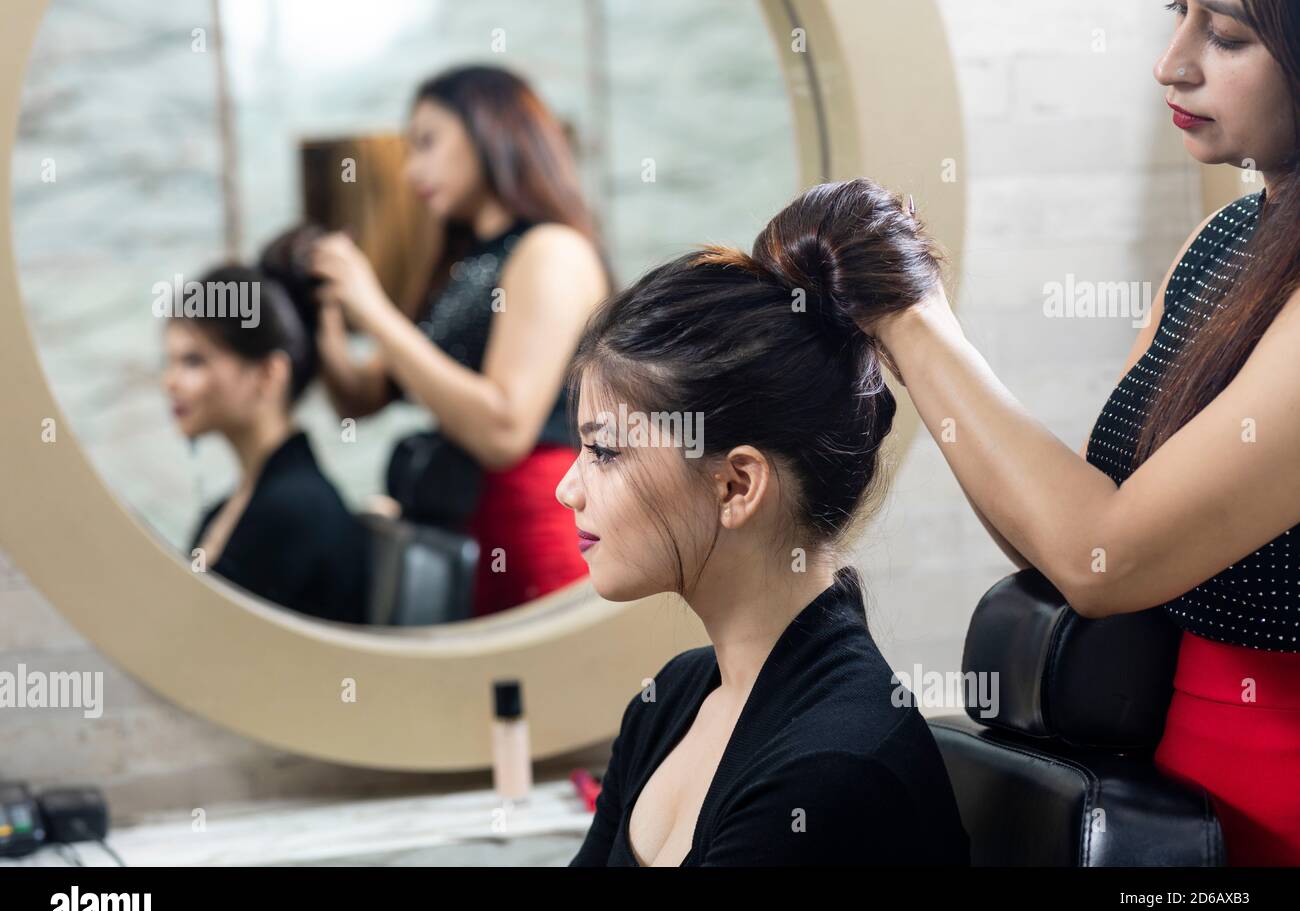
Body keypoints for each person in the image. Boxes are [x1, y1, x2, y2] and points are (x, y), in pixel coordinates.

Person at [863, 0, 1300, 864]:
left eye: (1227, 35)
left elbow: (1109, 557)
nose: (1171, 64)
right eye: (1180, 15)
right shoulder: (1223, 242)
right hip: (1176, 783)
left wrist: (914, 321)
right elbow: (1067, 542)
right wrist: (911, 340)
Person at [560, 179, 970, 866]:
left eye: (603, 450)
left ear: (737, 484)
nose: (566, 488)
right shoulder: (671, 704)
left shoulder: (829, 771)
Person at [309, 64, 610, 616]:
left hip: (529, 532)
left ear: (489, 131)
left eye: (426, 142)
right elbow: (361, 397)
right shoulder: (463, 263)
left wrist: (374, 311)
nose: (410, 171)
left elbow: (504, 429)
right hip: (459, 530)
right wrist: (330, 308)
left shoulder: (552, 250)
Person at [163, 258, 369, 624]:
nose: (171, 382)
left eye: (193, 361)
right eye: (171, 362)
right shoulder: (232, 507)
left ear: (268, 373)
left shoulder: (294, 511)